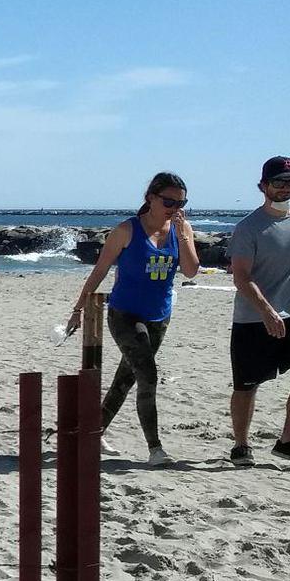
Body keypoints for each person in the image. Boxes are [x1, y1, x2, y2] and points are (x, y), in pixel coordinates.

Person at [67, 171, 200, 466]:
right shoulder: (127, 230)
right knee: (148, 376)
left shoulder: (181, 230)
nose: (174, 208)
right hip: (125, 314)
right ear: (150, 198)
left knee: (126, 379)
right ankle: (155, 449)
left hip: (159, 316)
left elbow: (191, 272)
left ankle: (91, 433)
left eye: (181, 203)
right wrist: (78, 309)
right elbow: (100, 271)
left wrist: (183, 235)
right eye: (168, 201)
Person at [226, 155, 290, 466]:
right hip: (253, 318)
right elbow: (241, 277)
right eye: (278, 182)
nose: (285, 188)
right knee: (247, 385)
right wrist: (267, 312)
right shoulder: (248, 228)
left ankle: (287, 442)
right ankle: (241, 446)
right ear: (263, 185)